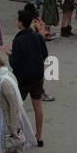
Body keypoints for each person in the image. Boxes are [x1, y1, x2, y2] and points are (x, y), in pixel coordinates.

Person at [9, 9, 49, 146]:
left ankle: (18, 134)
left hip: (23, 77)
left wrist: (10, 56)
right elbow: (45, 54)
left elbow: (15, 63)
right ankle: (39, 135)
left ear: (21, 23)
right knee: (37, 104)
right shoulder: (38, 36)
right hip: (37, 75)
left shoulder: (18, 40)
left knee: (17, 106)